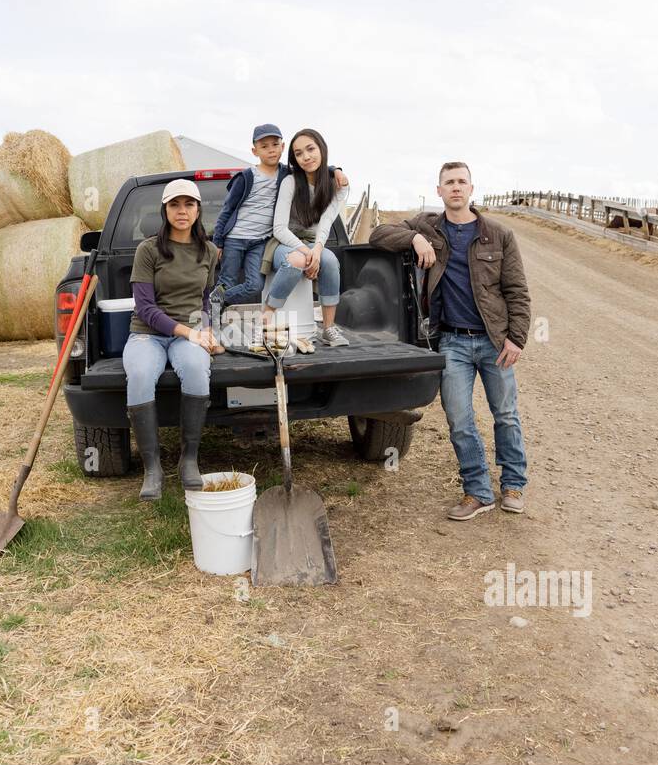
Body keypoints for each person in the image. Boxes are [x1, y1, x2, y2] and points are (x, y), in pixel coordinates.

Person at [369, 161, 530, 520]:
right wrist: (414, 237)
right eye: (448, 183)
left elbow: (517, 290)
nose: (455, 188)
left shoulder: (499, 235)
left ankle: (513, 484)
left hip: (494, 340)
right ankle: (477, 492)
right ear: (439, 191)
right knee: (458, 418)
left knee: (505, 414)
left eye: (461, 182)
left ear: (471, 189)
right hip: (451, 342)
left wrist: (516, 339)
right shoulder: (427, 227)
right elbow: (378, 235)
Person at [125, 178, 222, 500]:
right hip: (147, 335)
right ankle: (152, 469)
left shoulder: (208, 251)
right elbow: (145, 308)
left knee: (196, 369)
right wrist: (190, 332)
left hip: (189, 334)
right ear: (165, 210)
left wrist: (207, 332)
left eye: (189, 204)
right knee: (139, 375)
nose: (182, 211)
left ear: (198, 210)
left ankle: (188, 460)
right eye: (175, 205)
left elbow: (205, 299)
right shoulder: (148, 250)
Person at [211, 123, 348, 309]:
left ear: (283, 147)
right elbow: (227, 209)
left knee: (255, 286)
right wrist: (218, 241)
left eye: (275, 145)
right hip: (235, 239)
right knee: (226, 281)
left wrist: (335, 170)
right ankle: (213, 312)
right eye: (264, 146)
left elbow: (313, 167)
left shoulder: (286, 174)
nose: (271, 150)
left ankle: (215, 301)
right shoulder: (247, 177)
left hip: (261, 242)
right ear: (254, 151)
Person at [260, 128, 350, 347]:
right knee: (297, 261)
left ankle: (328, 328)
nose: (306, 157)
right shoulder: (290, 182)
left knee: (330, 260)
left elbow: (326, 222)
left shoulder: (337, 184)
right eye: (299, 153)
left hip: (313, 242)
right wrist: (307, 252)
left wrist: (317, 251)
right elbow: (279, 229)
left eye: (310, 149)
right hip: (284, 242)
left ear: (322, 149)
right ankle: (266, 318)